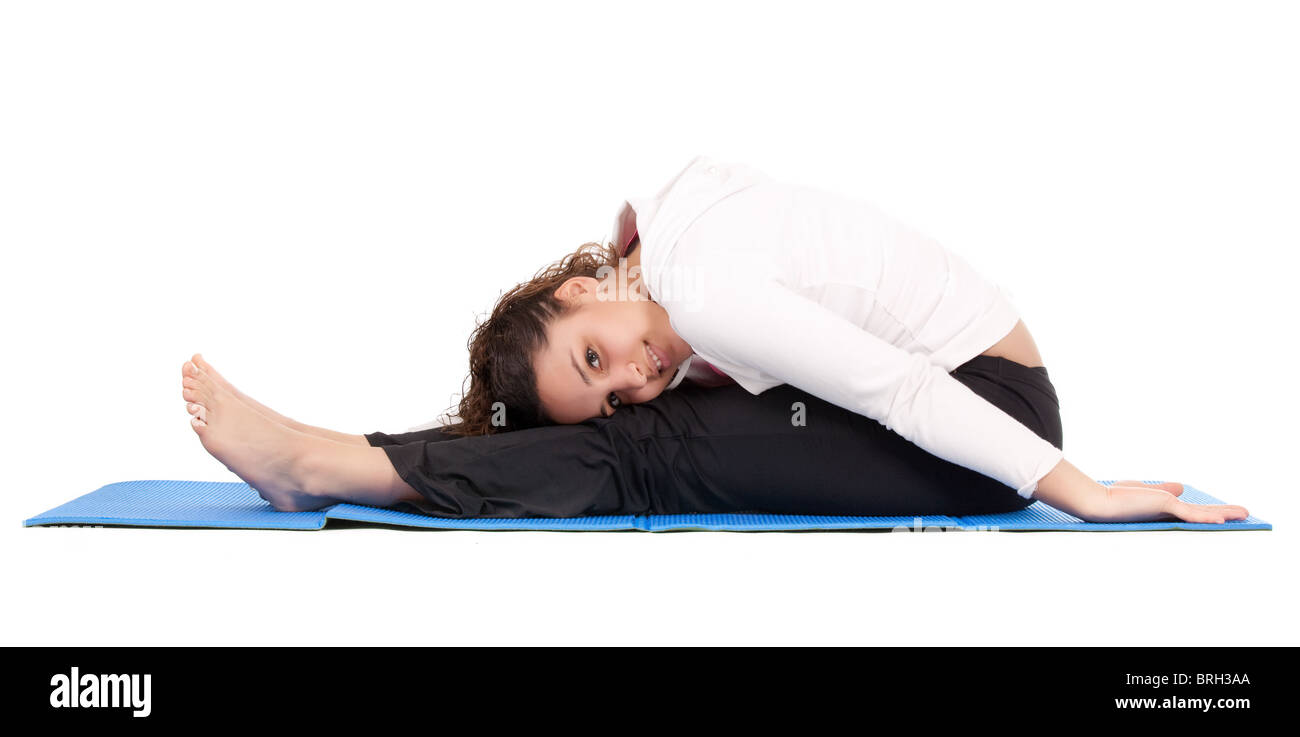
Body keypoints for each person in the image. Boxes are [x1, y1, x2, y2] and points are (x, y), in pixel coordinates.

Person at [180, 156, 1248, 524]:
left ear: (578, 282)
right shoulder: (678, 240)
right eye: (602, 387)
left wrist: (1086, 491)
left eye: (593, 354)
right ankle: (344, 450)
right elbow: (706, 176)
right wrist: (627, 254)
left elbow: (902, 395)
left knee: (657, 450)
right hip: (951, 389)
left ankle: (324, 464)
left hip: (982, 416)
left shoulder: (711, 296)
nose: (633, 375)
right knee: (655, 430)